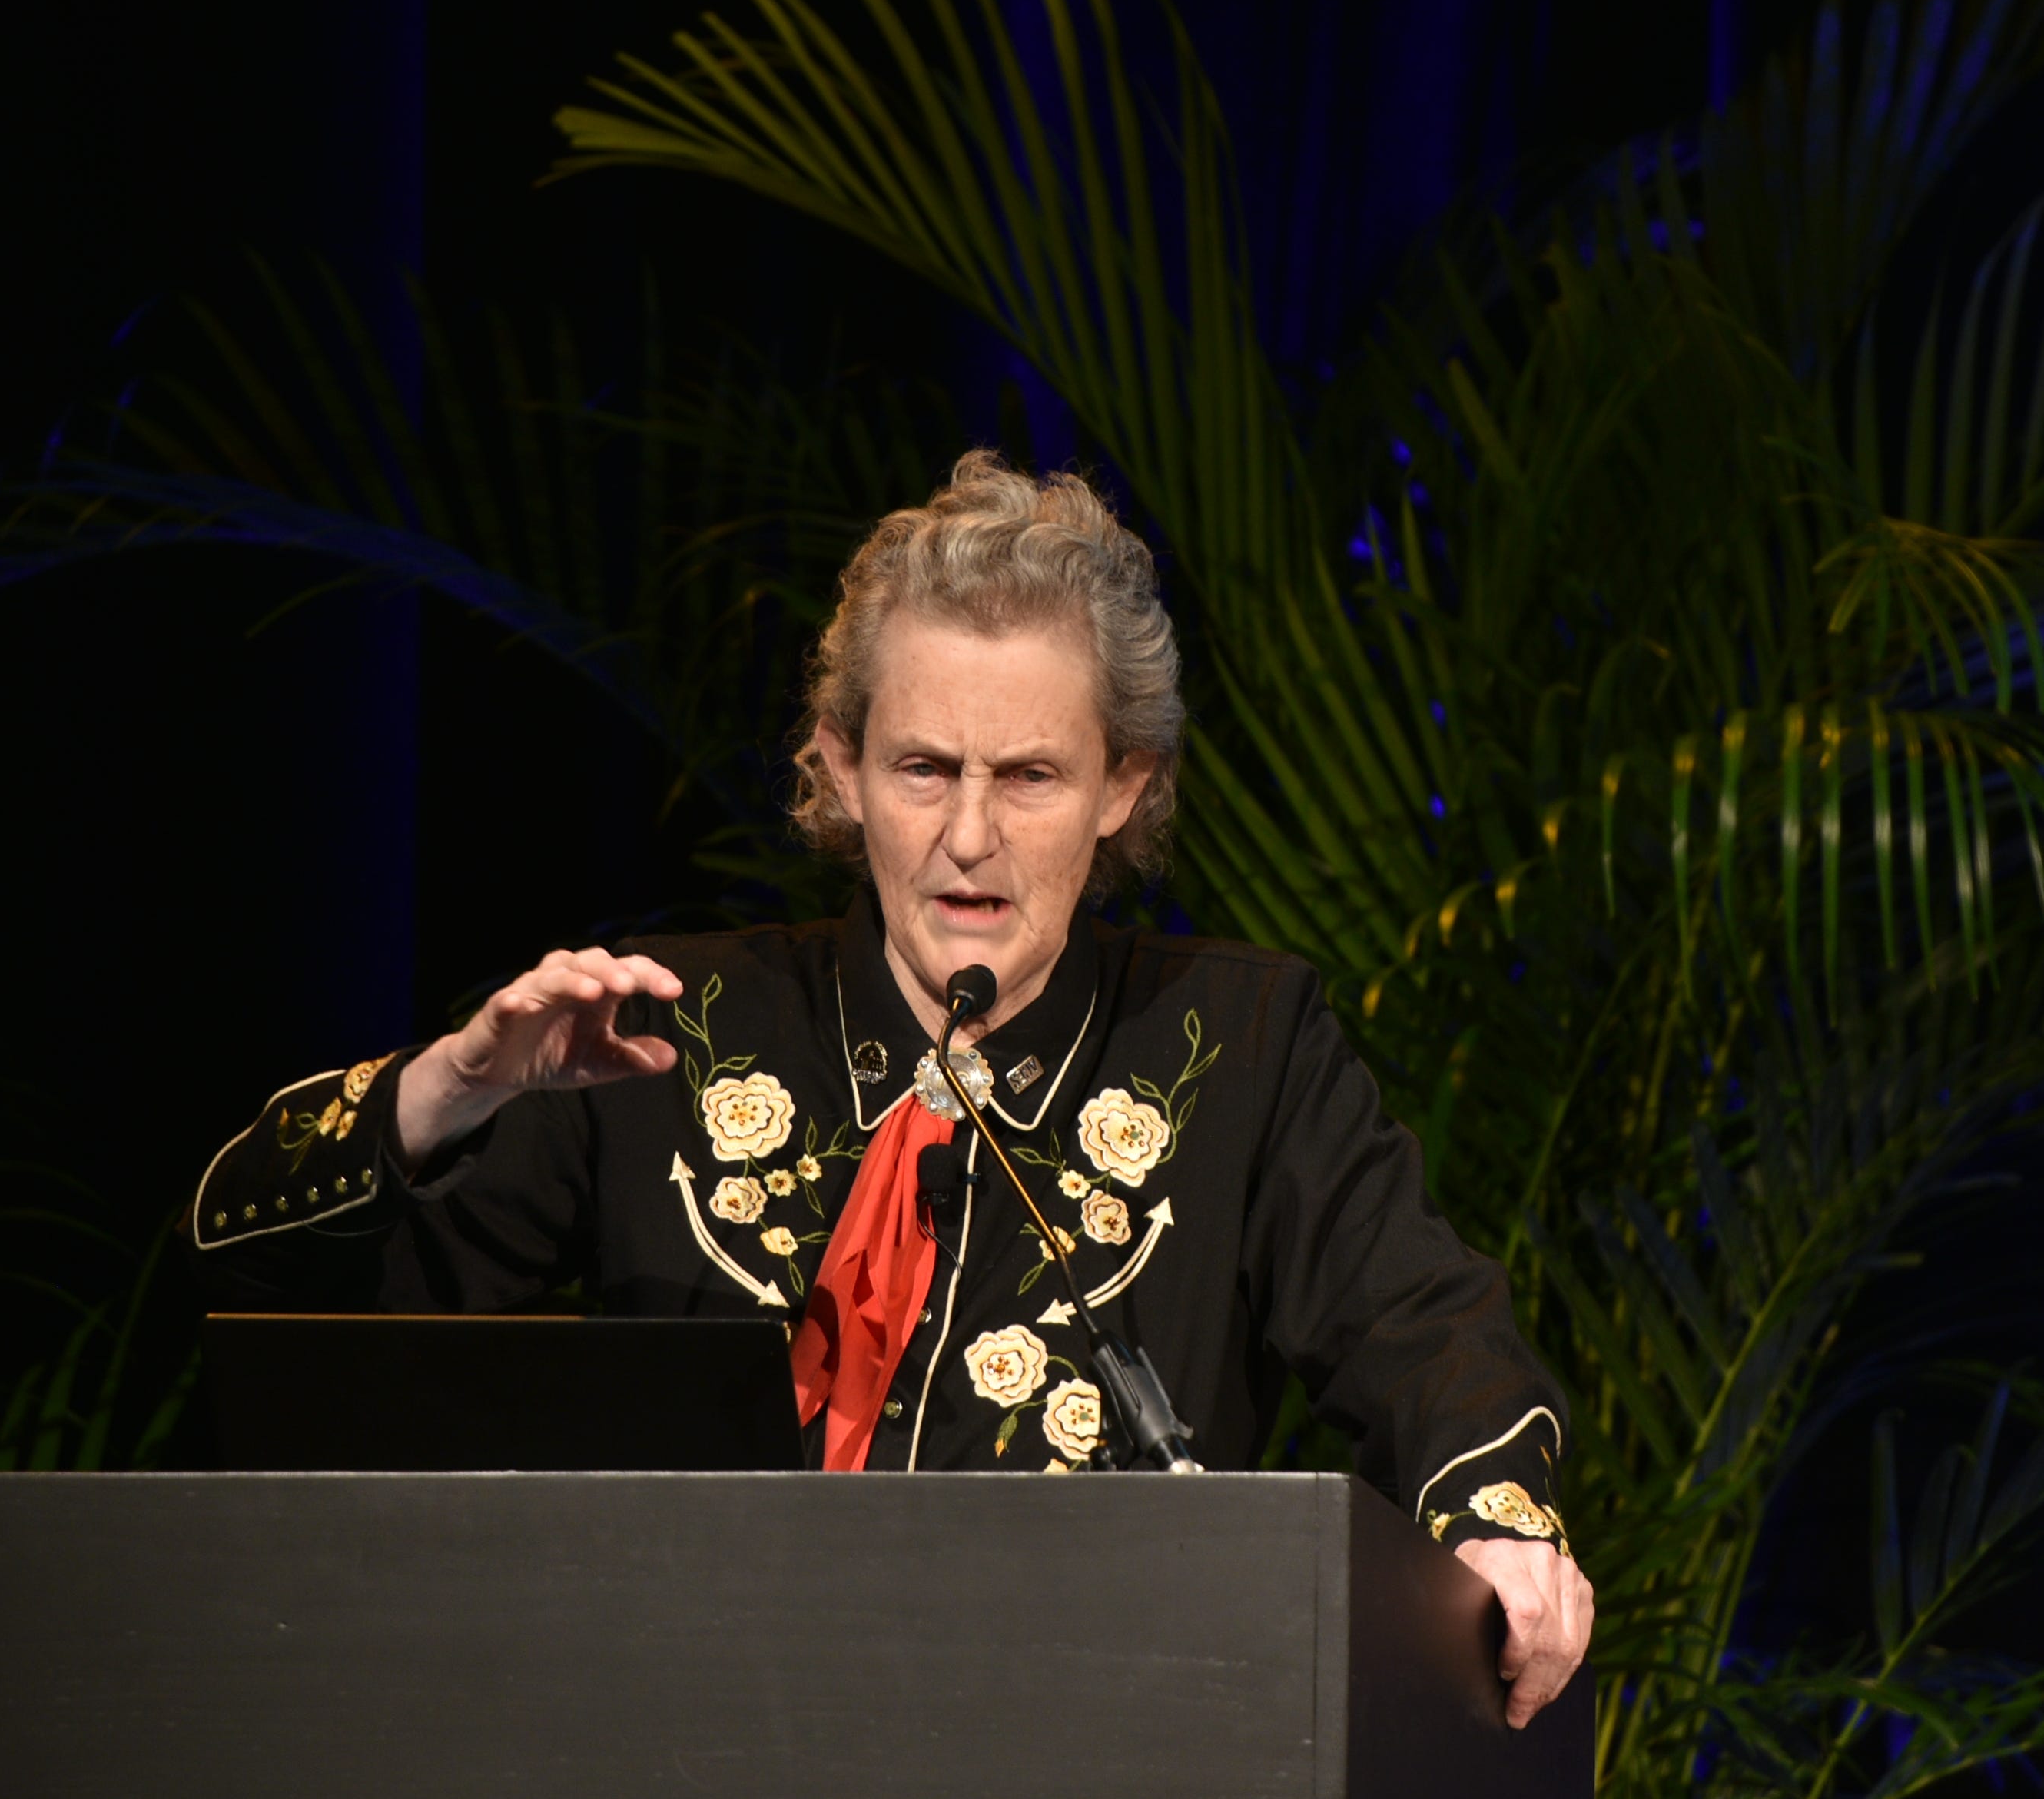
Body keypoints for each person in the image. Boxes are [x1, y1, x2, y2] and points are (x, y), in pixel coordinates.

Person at [191, 453, 1597, 1728]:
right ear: (840, 770)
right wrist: (446, 1093)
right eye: (924, 769)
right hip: (671, 1766)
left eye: (1031, 776)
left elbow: (1429, 1330)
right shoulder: (656, 1032)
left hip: (1093, 1789)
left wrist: (1496, 1527)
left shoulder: (1238, 1044)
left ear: (1124, 786)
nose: (968, 839)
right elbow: (292, 1340)